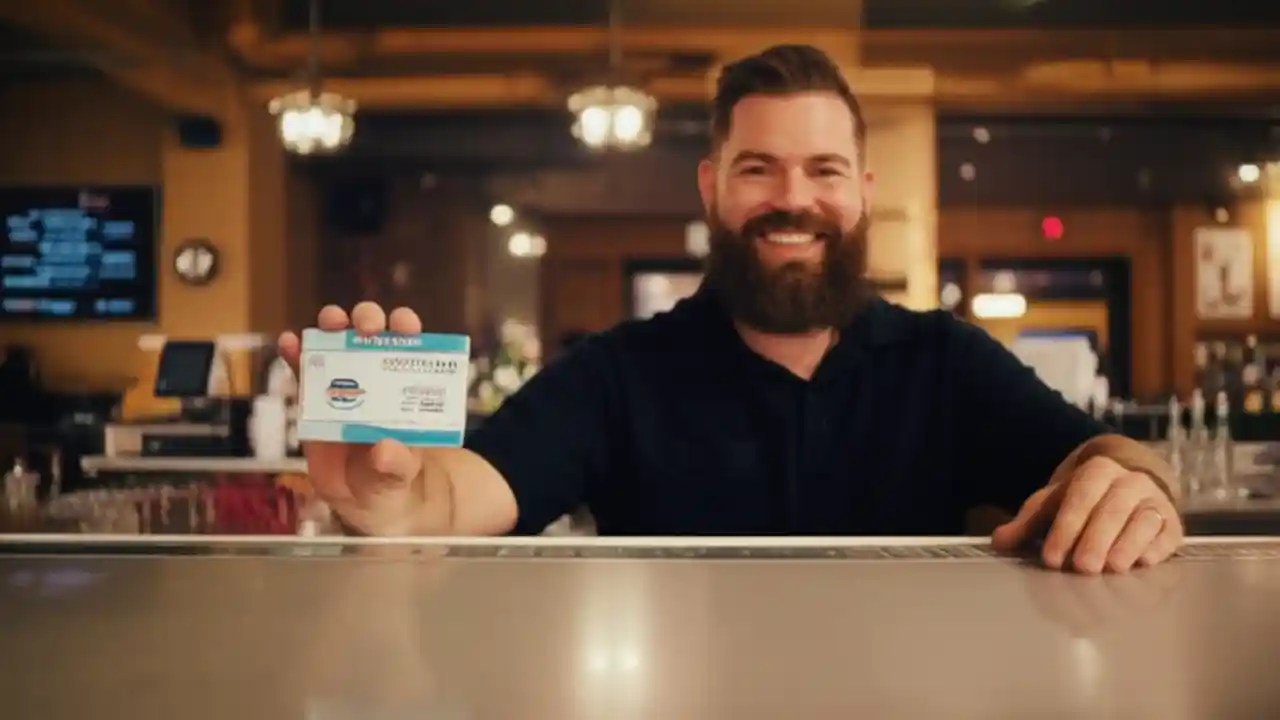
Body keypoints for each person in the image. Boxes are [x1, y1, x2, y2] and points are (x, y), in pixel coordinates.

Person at [278, 44, 1183, 574]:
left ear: (863, 193)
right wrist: (393, 503)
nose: (793, 199)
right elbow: (467, 494)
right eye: (759, 169)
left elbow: (1100, 451)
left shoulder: (944, 360)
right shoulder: (618, 372)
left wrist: (1139, 485)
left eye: (824, 171)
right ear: (713, 188)